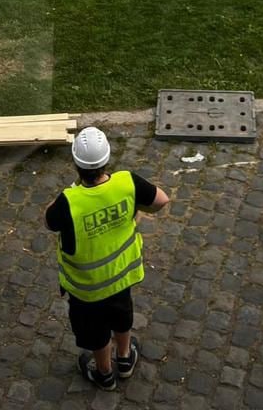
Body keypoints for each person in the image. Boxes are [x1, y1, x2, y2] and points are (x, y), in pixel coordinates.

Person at [46, 126, 170, 392]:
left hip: (86, 290)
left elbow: (49, 221)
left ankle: (104, 374)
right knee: (122, 318)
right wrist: (136, 215)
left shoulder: (70, 200)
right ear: (107, 159)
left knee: (96, 333)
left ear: (76, 163)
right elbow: (161, 200)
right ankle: (125, 359)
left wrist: (69, 191)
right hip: (121, 276)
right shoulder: (127, 182)